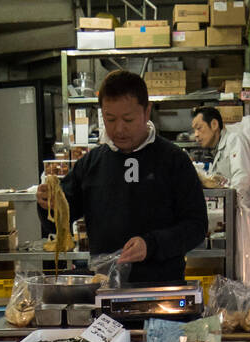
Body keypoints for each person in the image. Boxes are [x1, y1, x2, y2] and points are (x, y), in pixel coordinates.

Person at [39, 71, 207, 286]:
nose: (119, 129)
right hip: (105, 289)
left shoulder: (174, 161)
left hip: (163, 289)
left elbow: (196, 227)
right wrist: (47, 205)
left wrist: (151, 244)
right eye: (110, 119)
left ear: (147, 112)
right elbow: (58, 222)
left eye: (128, 119)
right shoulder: (91, 164)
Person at [191, 105, 250, 276]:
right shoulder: (220, 147)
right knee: (246, 272)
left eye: (199, 128)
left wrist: (227, 198)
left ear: (214, 124)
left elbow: (244, 176)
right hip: (242, 217)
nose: (196, 135)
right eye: (194, 130)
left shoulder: (235, 140)